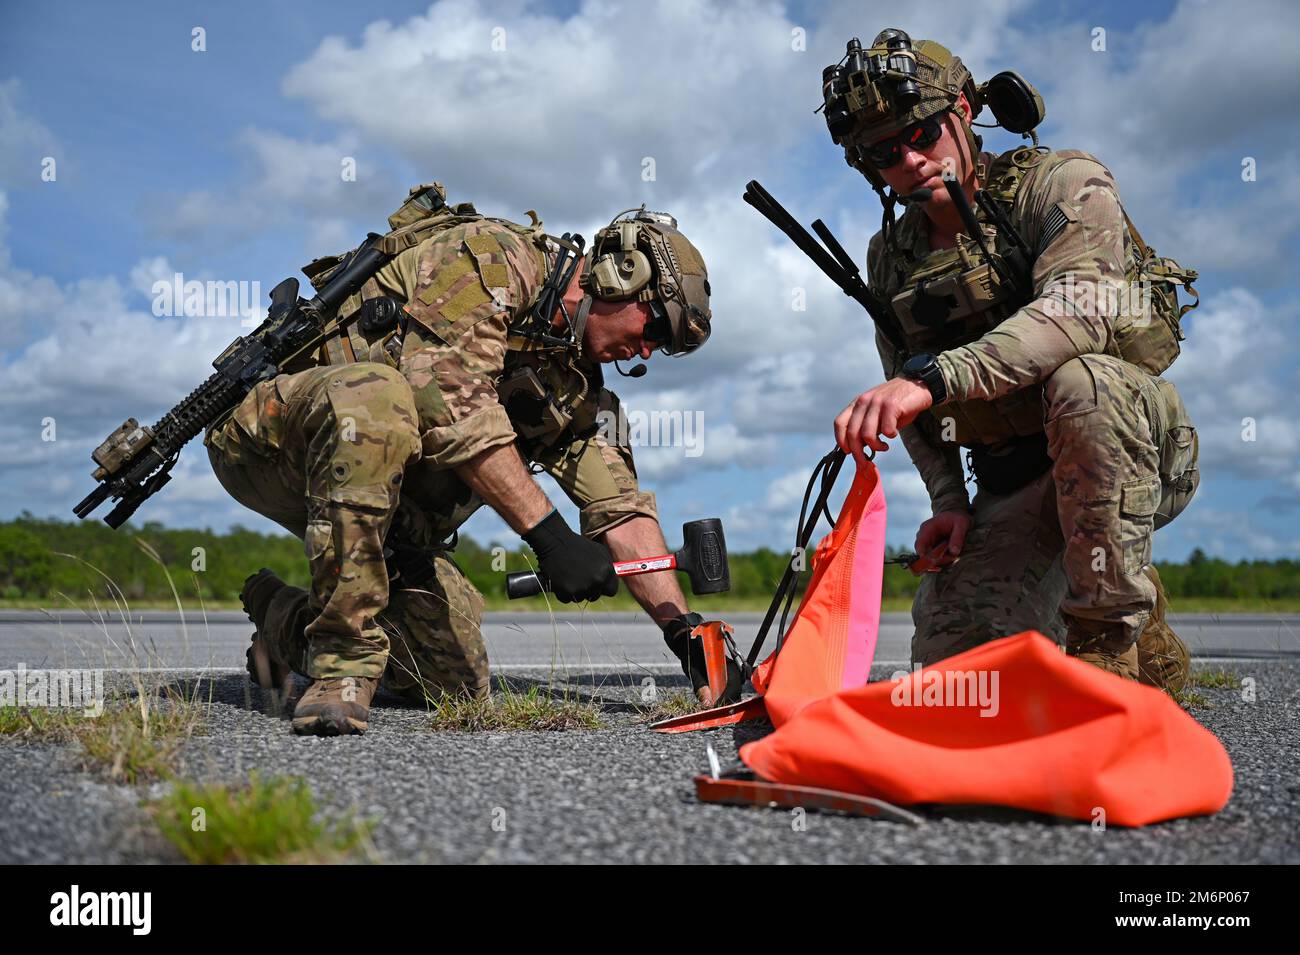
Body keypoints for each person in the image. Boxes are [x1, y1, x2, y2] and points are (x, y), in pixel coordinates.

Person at [206, 184, 725, 735]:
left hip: (390, 513)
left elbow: (620, 510)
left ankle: (282, 623)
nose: (646, 351)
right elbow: (449, 405)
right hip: (274, 444)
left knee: (454, 682)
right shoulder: (491, 259)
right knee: (377, 400)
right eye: (655, 329)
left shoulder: (578, 393)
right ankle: (342, 663)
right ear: (623, 275)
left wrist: (685, 633)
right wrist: (551, 539)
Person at [823, 30, 1200, 690]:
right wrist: (951, 500)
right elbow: (902, 378)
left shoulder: (1063, 185)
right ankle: (1130, 609)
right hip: (1015, 478)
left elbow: (1076, 314)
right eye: (884, 152)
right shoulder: (893, 257)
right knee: (956, 673)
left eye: (924, 133)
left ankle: (1106, 647)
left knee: (1082, 382)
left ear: (964, 114)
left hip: (1134, 446)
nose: (910, 159)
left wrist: (938, 377)